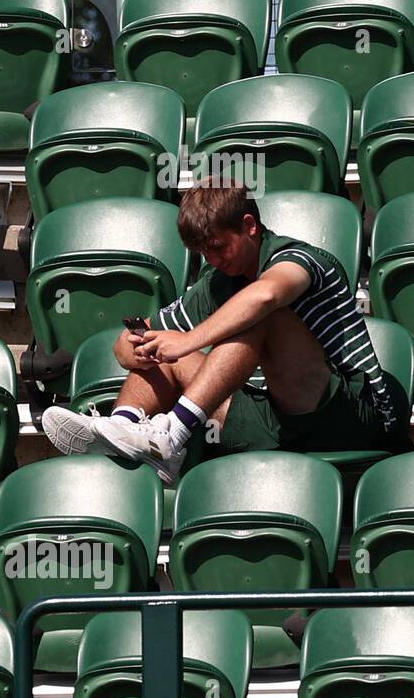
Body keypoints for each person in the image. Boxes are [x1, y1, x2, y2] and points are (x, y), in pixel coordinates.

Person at [41, 179, 411, 483]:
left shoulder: (301, 259)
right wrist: (129, 349)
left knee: (259, 312)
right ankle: (124, 431)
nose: (213, 260)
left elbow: (266, 296)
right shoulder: (219, 281)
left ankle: (173, 433)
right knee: (159, 354)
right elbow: (148, 332)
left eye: (218, 247)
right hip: (270, 422)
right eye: (203, 253)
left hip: (347, 416)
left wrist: (188, 340)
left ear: (250, 226)